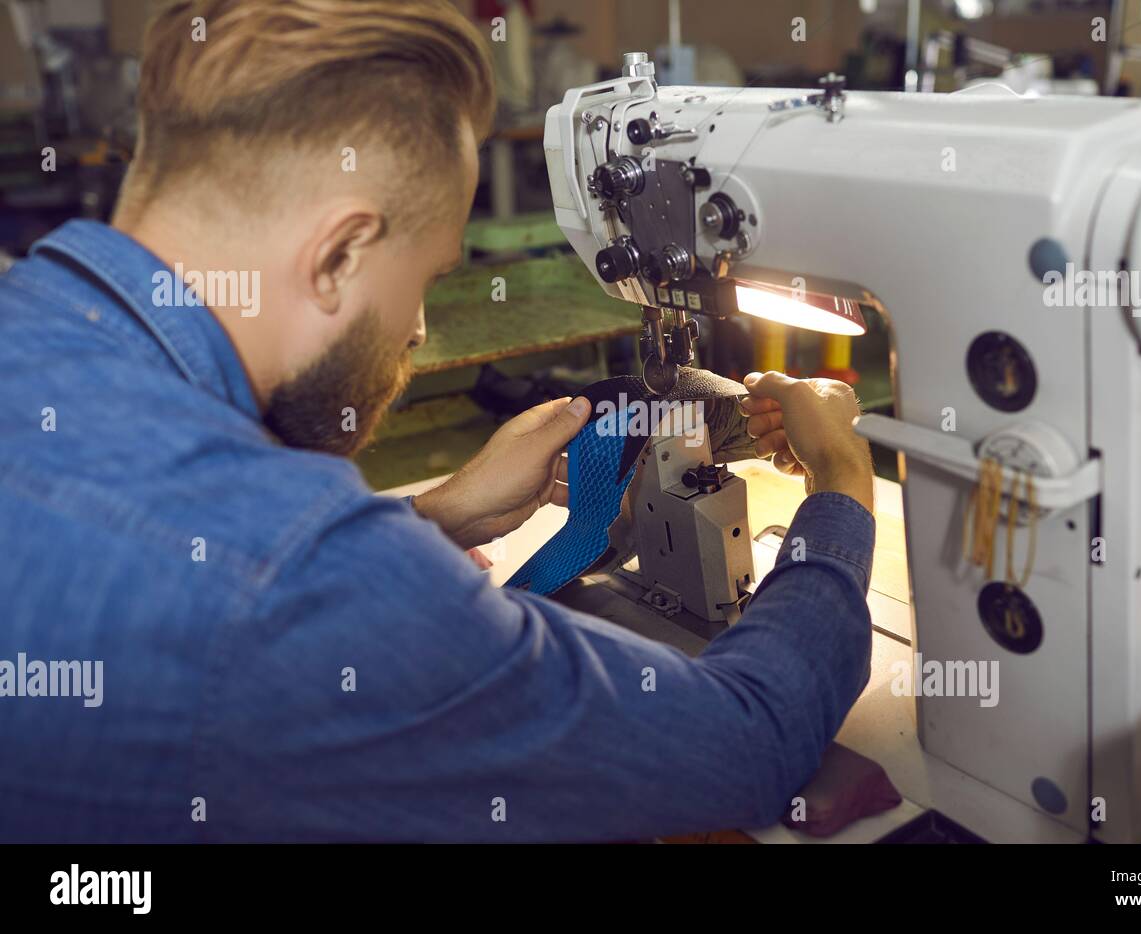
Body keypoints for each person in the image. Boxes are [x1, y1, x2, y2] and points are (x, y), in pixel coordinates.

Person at [0, 0, 876, 842]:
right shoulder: (302, 575)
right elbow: (747, 741)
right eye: (425, 278)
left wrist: (435, 516)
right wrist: (840, 483)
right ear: (340, 253)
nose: (419, 328)